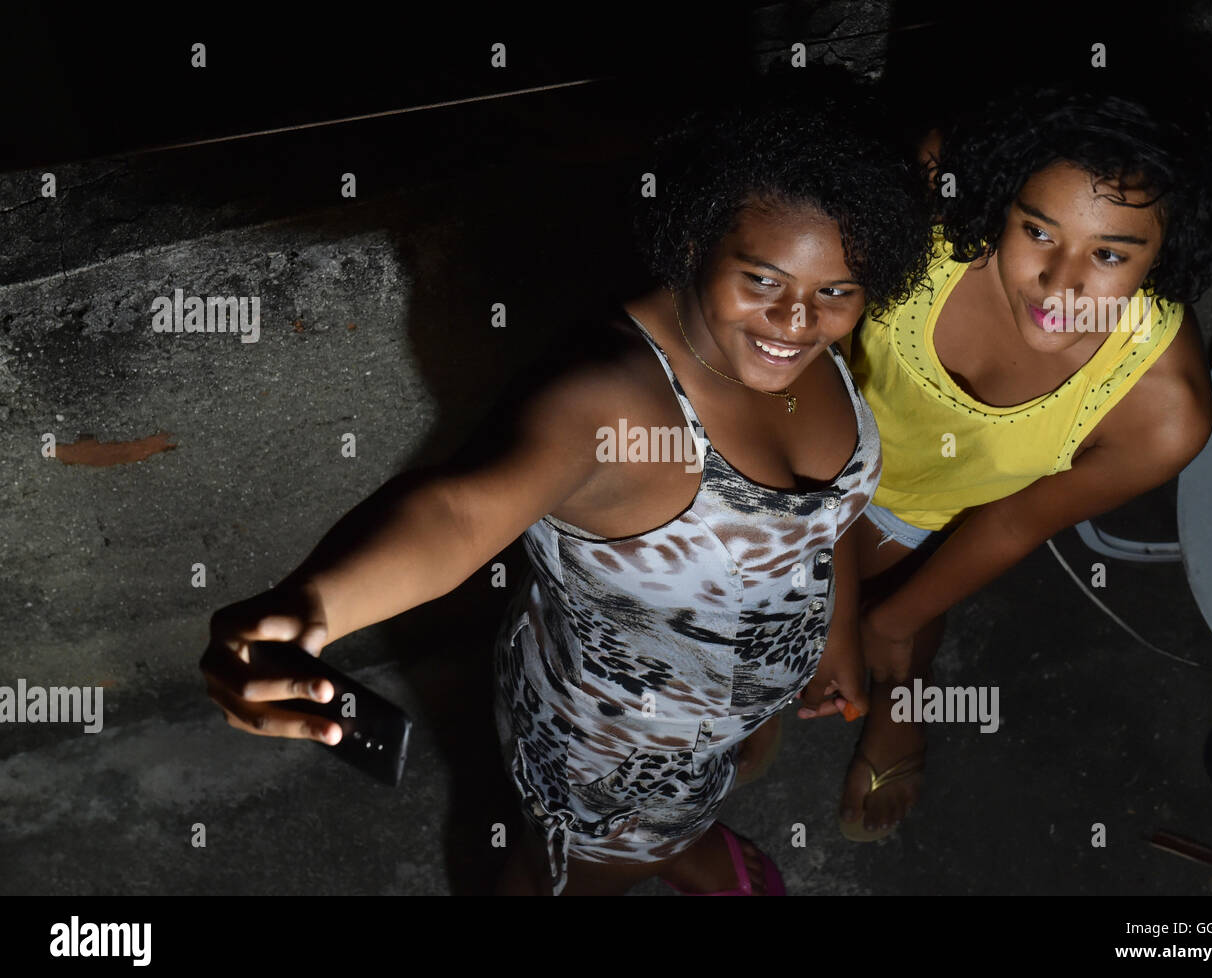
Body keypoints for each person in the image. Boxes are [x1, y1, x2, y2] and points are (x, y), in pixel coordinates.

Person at [199, 76, 932, 895]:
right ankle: (649, 852)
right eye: (761, 280)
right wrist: (315, 606)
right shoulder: (608, 399)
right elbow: (457, 510)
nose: (798, 322)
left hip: (729, 722)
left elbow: (819, 527)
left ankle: (682, 844)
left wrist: (833, 637)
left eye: (835, 292)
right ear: (694, 241)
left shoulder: (810, 350)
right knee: (570, 874)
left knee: (697, 799)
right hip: (610, 751)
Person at [787, 82, 1212, 841]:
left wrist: (886, 624)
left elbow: (1008, 525)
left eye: (1110, 254)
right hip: (803, 421)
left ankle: (901, 703)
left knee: (900, 616)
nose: (1061, 284)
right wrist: (838, 600)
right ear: (1002, 201)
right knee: (757, 609)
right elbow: (807, 344)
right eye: (1038, 232)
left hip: (926, 512)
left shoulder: (1163, 414)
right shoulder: (937, 193)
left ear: (1168, 252)